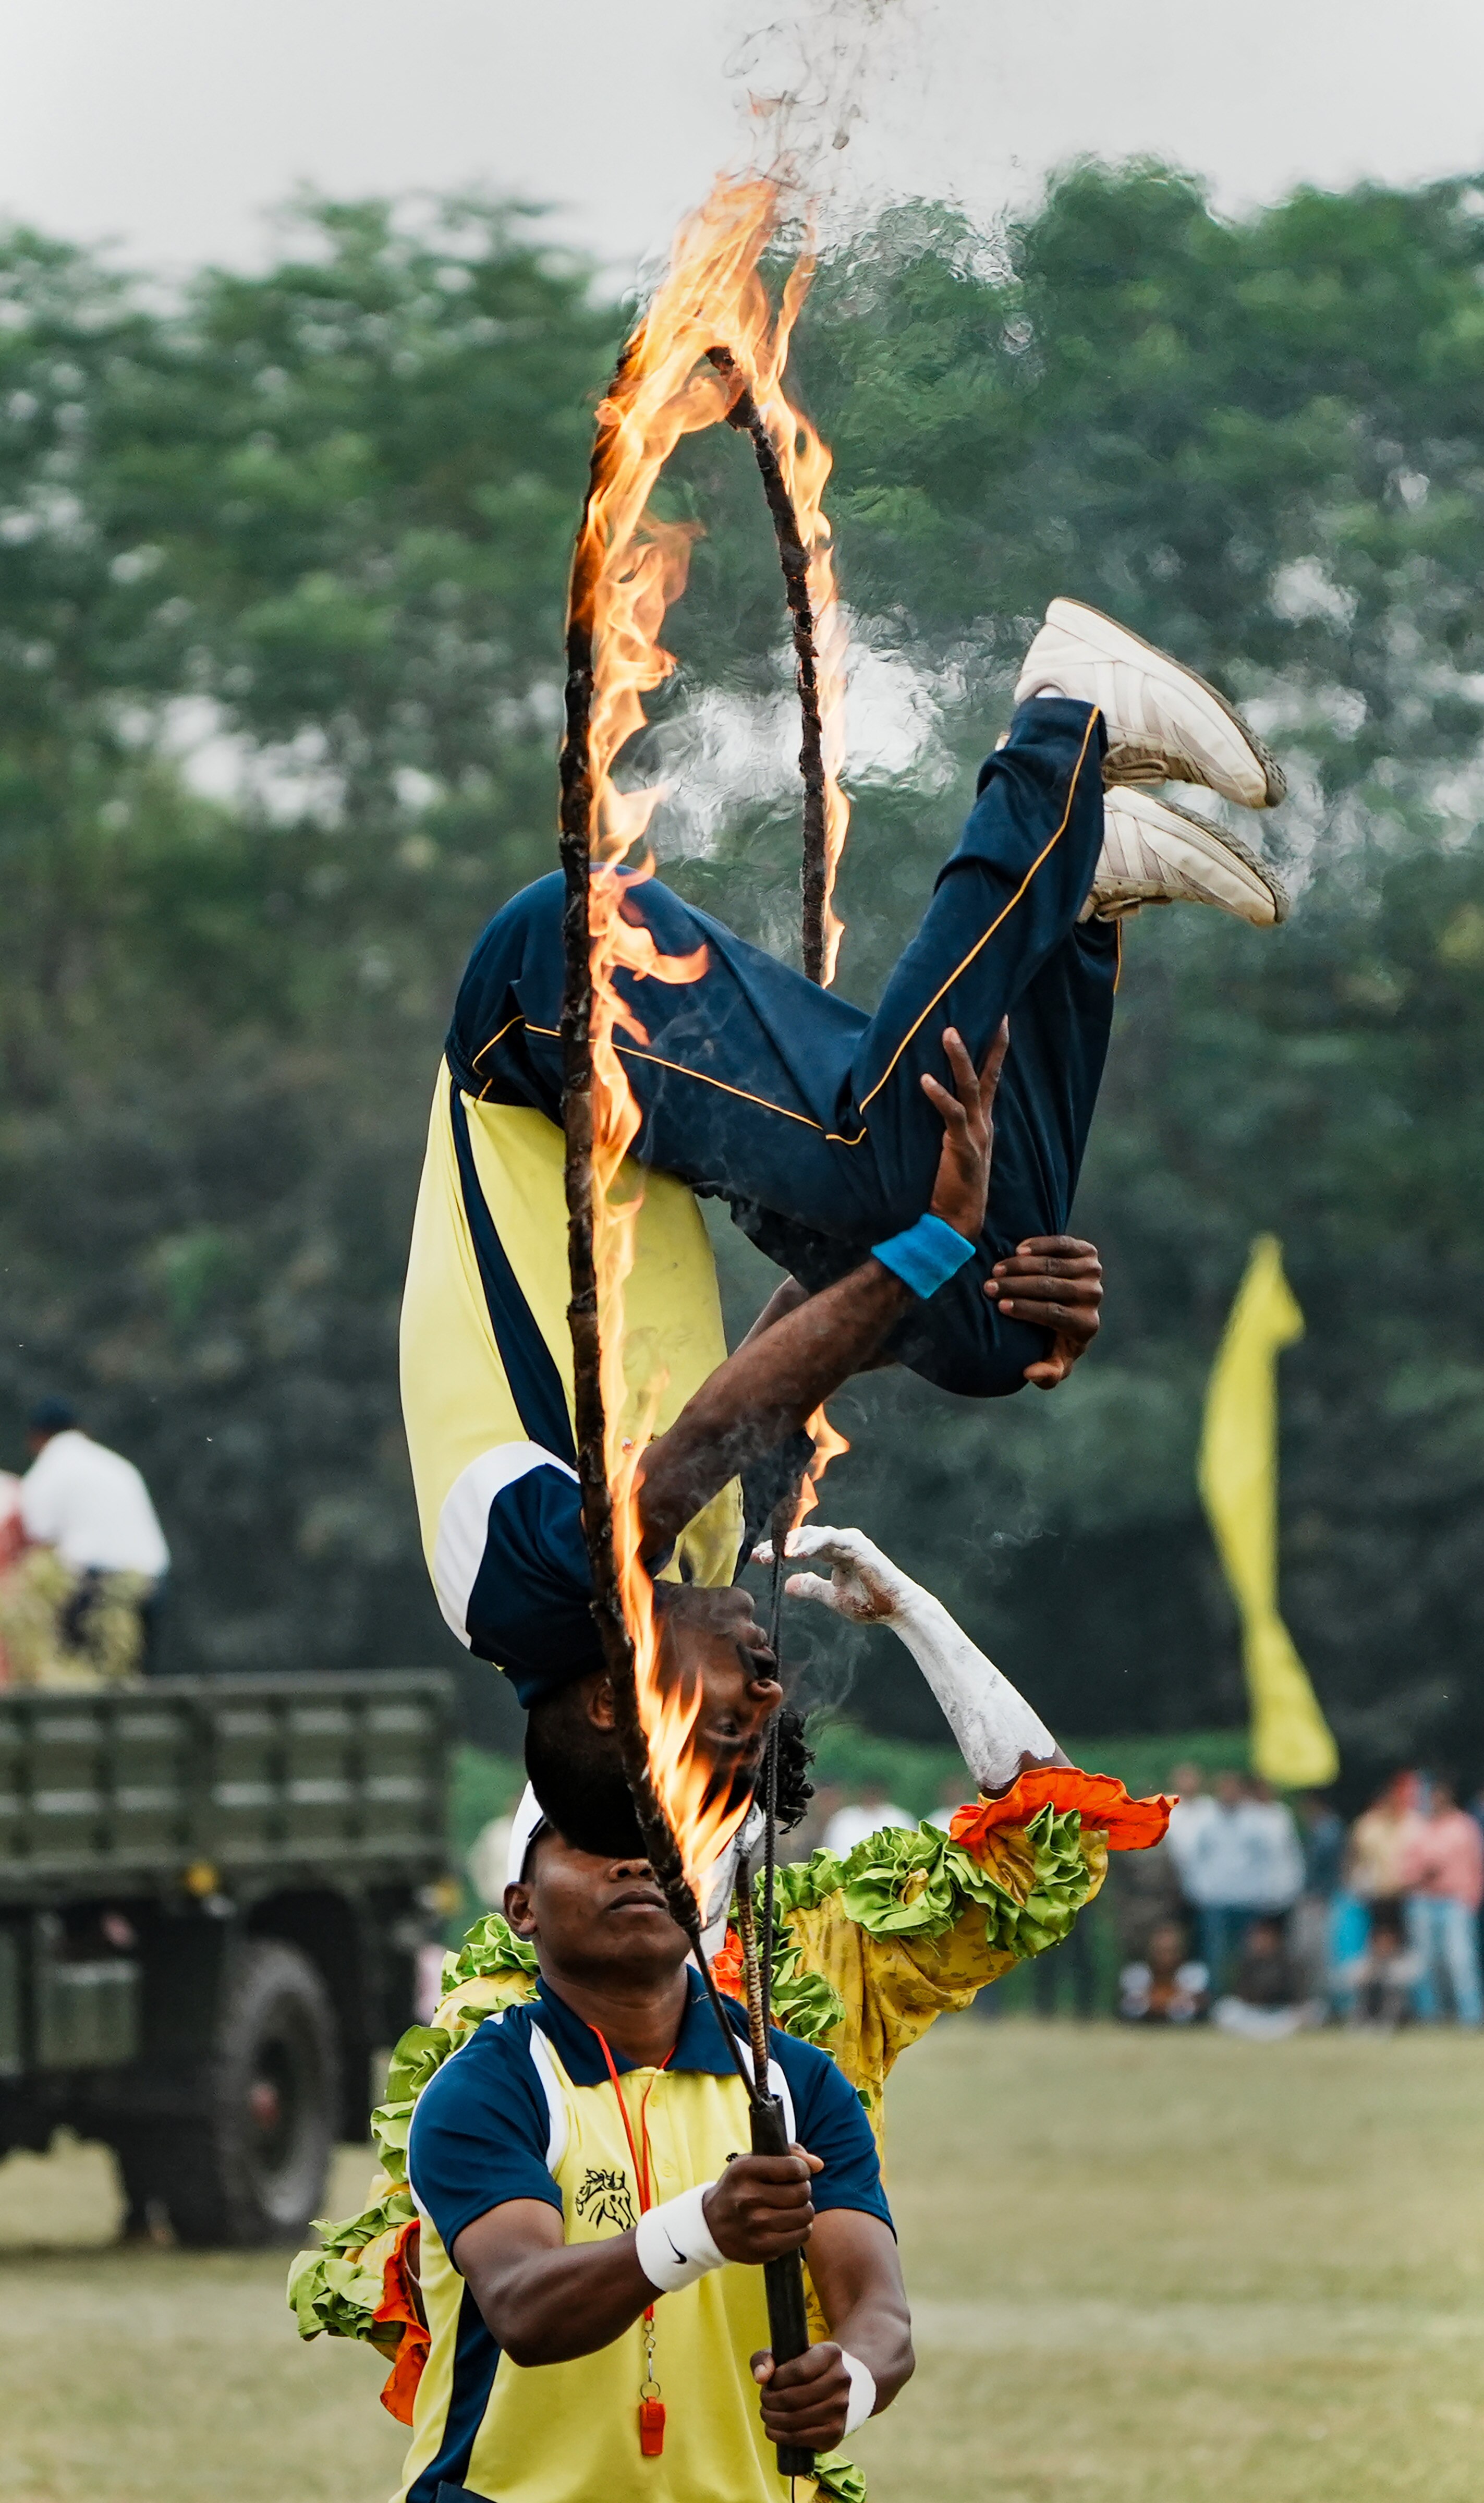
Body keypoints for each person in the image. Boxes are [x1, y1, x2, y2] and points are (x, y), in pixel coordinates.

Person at [399, 598, 1287, 1814]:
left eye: (727, 1730)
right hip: (620, 1111)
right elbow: (777, 1359)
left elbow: (714, 1428)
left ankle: (1060, 728)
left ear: (615, 1704)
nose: (770, 1699)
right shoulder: (675, 1566)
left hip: (542, 1010)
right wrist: (946, 1264)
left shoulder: (524, 1599)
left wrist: (923, 1239)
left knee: (897, 1185)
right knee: (987, 1332)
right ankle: (1070, 896)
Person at [290, 1524, 1172, 2503]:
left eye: (665, 1812)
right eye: (602, 1824)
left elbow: (1053, 1841)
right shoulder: (495, 2011)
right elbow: (494, 2295)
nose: (637, 1851)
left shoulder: (833, 1946)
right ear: (523, 1898)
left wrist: (922, 1624)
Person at [11, 1399, 169, 1684]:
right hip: (151, 1580)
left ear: (36, 1438)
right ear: (82, 1430)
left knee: (80, 1675)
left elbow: (35, 1535)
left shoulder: (50, 1469)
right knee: (133, 1675)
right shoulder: (118, 1466)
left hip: (95, 1581)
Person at [1397, 1779, 1484, 2027]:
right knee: (1426, 1962)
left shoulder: (1464, 1826)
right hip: (1424, 1900)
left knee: (1460, 1959)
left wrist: (1472, 1900)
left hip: (1456, 1901)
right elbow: (1406, 1868)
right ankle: (1431, 2014)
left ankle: (1471, 2015)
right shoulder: (1419, 1828)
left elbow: (1476, 1865)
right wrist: (1421, 1875)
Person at [1334, 1909, 1422, 2031]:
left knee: (1395, 1990)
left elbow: (1412, 1976)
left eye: (1388, 1940)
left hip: (1398, 2012)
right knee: (1364, 1987)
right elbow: (1348, 1979)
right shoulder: (1367, 1960)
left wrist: (1387, 1973)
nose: (1384, 1945)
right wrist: (1372, 1970)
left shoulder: (1404, 1960)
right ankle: (1361, 2023)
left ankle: (1389, 2024)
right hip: (1371, 2005)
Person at [1118, 1919, 1208, 2024]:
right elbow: (1130, 2005)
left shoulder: (1194, 1973)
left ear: (1180, 1951)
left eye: (1170, 1951)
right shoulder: (1136, 1973)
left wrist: (1157, 2002)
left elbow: (1196, 2005)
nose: (1165, 1957)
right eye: (1160, 1951)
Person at [822, 1782, 915, 1856]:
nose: (872, 1797)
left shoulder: (899, 1818)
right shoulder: (844, 1818)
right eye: (870, 1793)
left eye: (876, 1793)